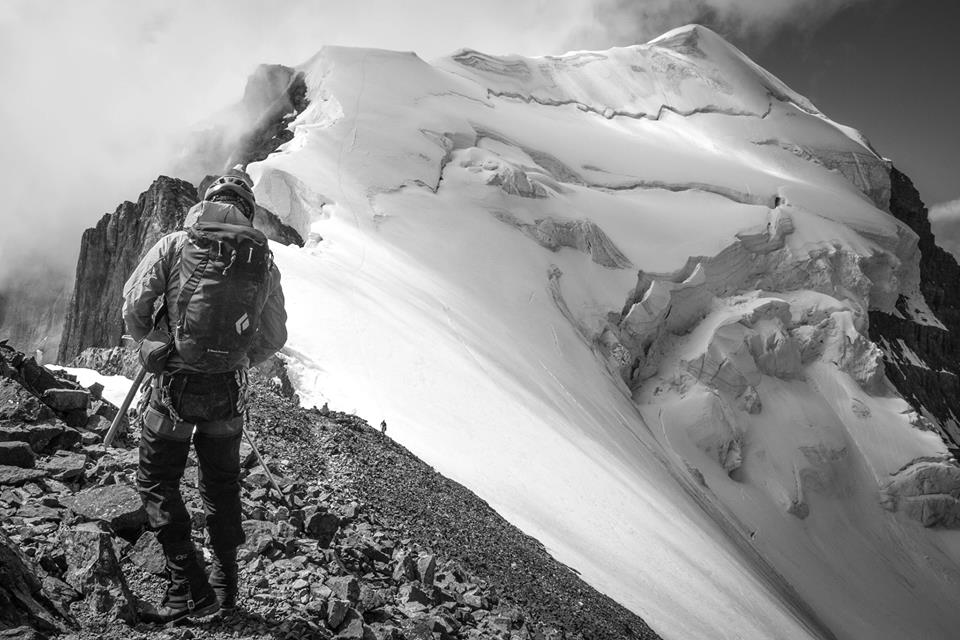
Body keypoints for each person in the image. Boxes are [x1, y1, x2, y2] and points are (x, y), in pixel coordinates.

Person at [122, 170, 287, 623]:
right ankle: (225, 585)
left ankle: (186, 585)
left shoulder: (177, 243)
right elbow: (274, 335)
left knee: (158, 480)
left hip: (175, 388)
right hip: (227, 397)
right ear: (248, 211)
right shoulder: (264, 261)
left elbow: (133, 303)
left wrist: (153, 345)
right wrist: (234, 361)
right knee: (221, 485)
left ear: (207, 200)